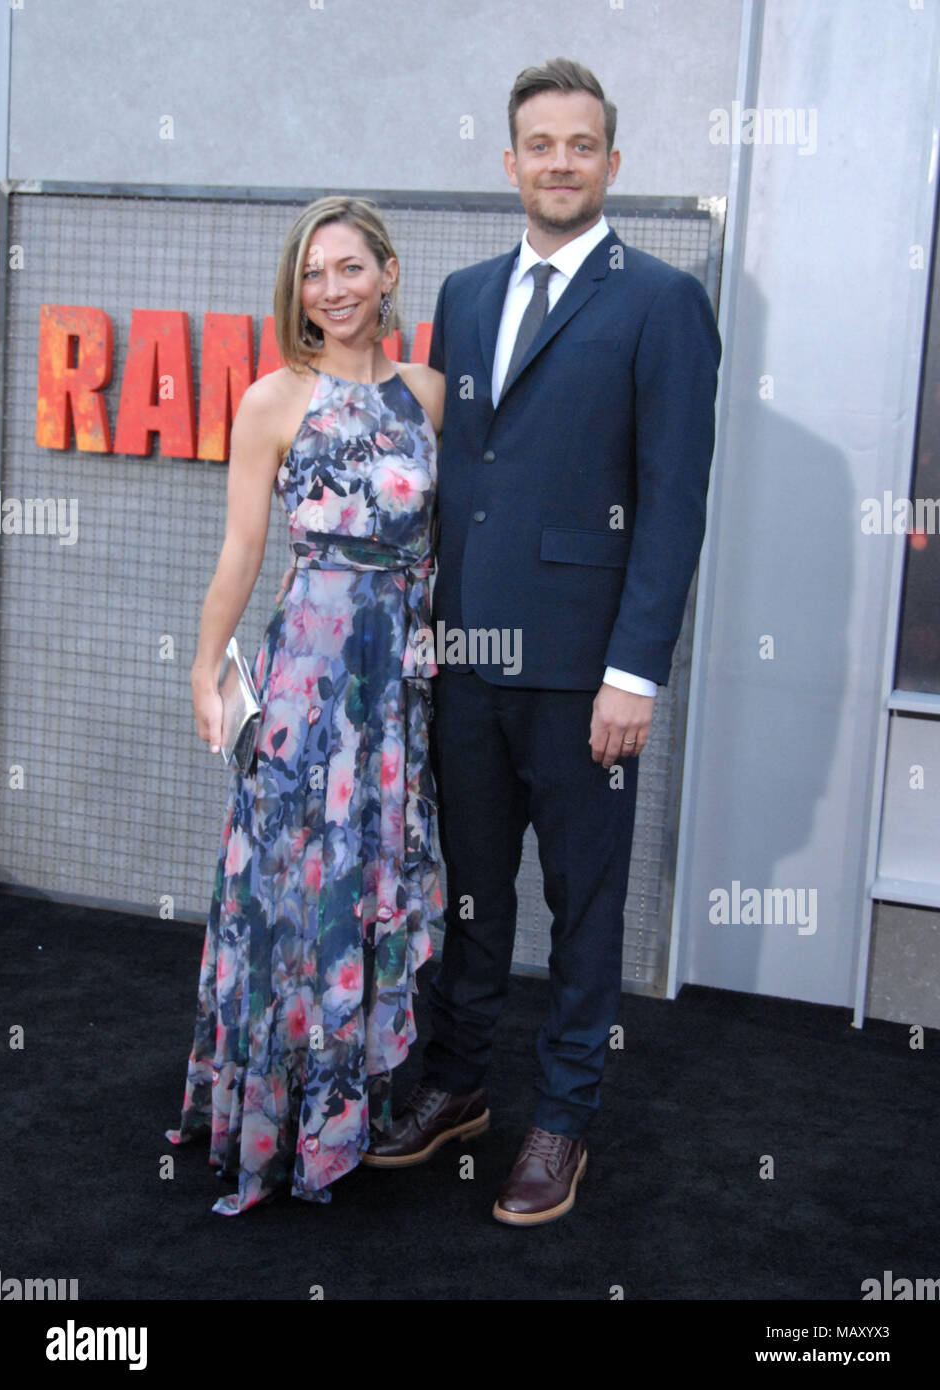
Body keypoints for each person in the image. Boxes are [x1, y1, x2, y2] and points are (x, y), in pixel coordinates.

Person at [363, 59, 721, 1225]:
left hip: (582, 678)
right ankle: (459, 1085)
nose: (558, 163)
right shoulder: (464, 295)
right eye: (539, 144)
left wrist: (633, 672)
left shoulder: (660, 302)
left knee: (581, 904)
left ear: (610, 165)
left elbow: (670, 503)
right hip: (463, 661)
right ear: (508, 159)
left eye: (580, 145)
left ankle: (561, 1117)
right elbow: (462, 476)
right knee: (468, 893)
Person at [165, 196, 446, 1216]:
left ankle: (347, 1104)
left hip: (392, 687)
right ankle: (272, 1115)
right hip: (300, 681)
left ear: (387, 272)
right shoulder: (273, 398)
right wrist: (205, 669)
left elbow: (448, 543)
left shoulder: (428, 394)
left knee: (366, 874)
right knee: (286, 888)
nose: (330, 288)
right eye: (312, 274)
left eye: (348, 268)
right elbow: (242, 549)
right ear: (297, 290)